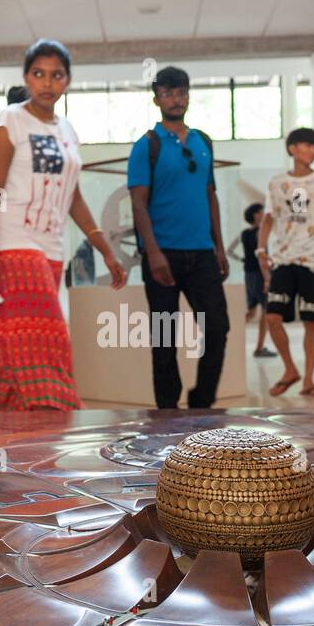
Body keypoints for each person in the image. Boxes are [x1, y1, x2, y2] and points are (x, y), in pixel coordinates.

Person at [0, 39, 127, 410]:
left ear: (67, 82)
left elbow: (73, 197)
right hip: (14, 244)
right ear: (26, 77)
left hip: (52, 249)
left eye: (56, 76)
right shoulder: (10, 121)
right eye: (38, 74)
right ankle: (57, 418)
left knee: (16, 354)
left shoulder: (68, 131)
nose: (47, 83)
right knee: (48, 339)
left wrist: (105, 250)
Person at [127, 65, 230, 409]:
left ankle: (201, 403)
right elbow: (138, 205)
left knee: (217, 327)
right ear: (156, 99)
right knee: (164, 337)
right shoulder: (147, 145)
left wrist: (219, 246)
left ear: (188, 96)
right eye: (168, 93)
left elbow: (210, 195)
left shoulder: (203, 141)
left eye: (181, 92)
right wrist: (153, 253)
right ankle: (167, 412)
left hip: (202, 254)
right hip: (162, 255)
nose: (175, 99)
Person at [259, 127, 314, 398]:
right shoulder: (276, 183)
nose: (311, 151)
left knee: (310, 321)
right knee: (272, 316)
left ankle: (308, 380)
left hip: (313, 262)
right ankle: (289, 370)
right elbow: (268, 218)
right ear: (292, 149)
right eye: (306, 145)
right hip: (283, 260)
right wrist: (261, 249)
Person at [228, 203, 275, 357]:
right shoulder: (260, 233)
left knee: (251, 311)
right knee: (265, 311)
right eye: (261, 212)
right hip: (260, 274)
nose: (264, 214)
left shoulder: (244, 233)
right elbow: (261, 257)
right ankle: (259, 347)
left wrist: (242, 259)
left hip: (248, 274)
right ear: (255, 215)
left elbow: (229, 250)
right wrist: (267, 277)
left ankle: (229, 337)